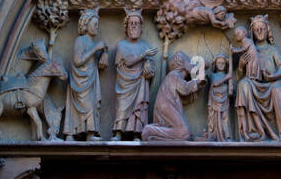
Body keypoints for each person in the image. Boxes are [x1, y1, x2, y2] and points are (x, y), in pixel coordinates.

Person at [231, 16, 281, 142]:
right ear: (252, 33)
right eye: (256, 30)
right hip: (254, 85)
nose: (260, 32)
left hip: (271, 85)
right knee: (243, 84)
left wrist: (274, 76)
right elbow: (239, 78)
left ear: (267, 31)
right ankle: (253, 130)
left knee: (277, 89)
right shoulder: (248, 49)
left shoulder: (272, 50)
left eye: (262, 29)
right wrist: (241, 66)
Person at [63, 9, 107, 139]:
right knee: (84, 105)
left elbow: (100, 64)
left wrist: (105, 52)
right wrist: (95, 48)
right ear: (86, 24)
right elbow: (77, 61)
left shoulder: (93, 43)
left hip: (91, 78)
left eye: (97, 25)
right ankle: (70, 134)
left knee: (91, 106)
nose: (96, 28)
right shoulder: (80, 40)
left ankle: (90, 133)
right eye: (94, 24)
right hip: (80, 80)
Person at [112, 11, 157, 139]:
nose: (134, 26)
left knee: (139, 106)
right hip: (125, 83)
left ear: (141, 28)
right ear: (126, 27)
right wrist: (144, 55)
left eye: (137, 23)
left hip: (140, 82)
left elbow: (151, 63)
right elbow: (127, 62)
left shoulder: (145, 45)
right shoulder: (122, 45)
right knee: (122, 106)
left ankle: (137, 133)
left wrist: (149, 68)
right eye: (131, 23)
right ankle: (118, 132)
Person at [141, 51, 203, 143]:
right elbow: (185, 89)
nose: (191, 65)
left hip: (168, 106)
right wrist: (196, 82)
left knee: (184, 133)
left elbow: (185, 98)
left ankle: (154, 135)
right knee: (183, 132)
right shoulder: (174, 75)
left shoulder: (176, 77)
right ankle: (149, 130)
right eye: (189, 62)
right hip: (165, 106)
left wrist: (198, 84)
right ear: (182, 64)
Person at [205, 55, 232, 142]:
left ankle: (226, 136)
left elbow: (231, 90)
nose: (221, 65)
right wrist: (226, 78)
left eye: (223, 63)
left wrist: (231, 88)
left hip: (225, 99)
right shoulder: (213, 75)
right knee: (214, 118)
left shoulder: (227, 75)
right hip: (214, 99)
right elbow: (215, 83)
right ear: (215, 64)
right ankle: (214, 135)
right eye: (219, 63)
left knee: (225, 117)